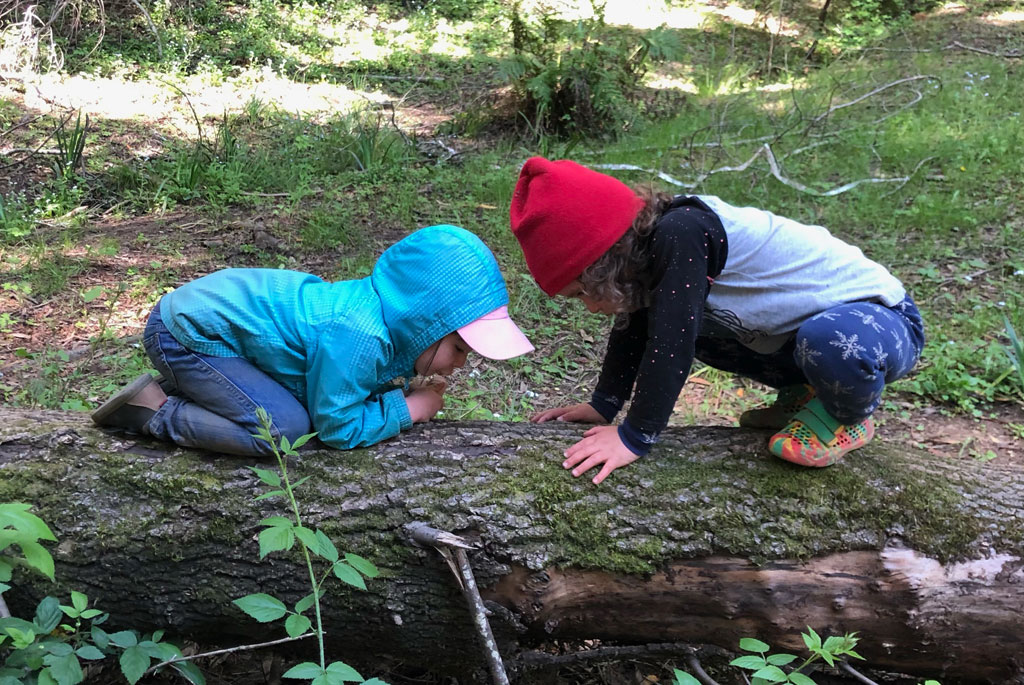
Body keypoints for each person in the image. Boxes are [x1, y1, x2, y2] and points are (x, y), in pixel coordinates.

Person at [509, 157, 924, 483]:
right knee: (684, 323)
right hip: (803, 336)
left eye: (582, 292)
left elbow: (671, 343)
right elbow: (636, 326)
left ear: (604, 263)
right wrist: (604, 405)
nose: (588, 305)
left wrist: (634, 437)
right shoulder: (647, 254)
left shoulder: (684, 231)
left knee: (821, 339)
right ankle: (807, 393)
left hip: (882, 323)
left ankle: (850, 417)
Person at [91, 225, 534, 455]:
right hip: (187, 333)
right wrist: (409, 408)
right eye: (458, 348)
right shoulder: (360, 336)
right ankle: (156, 411)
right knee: (282, 430)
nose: (459, 364)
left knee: (288, 407)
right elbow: (335, 427)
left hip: (212, 322)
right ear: (423, 324)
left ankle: (198, 387)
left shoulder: (386, 326)